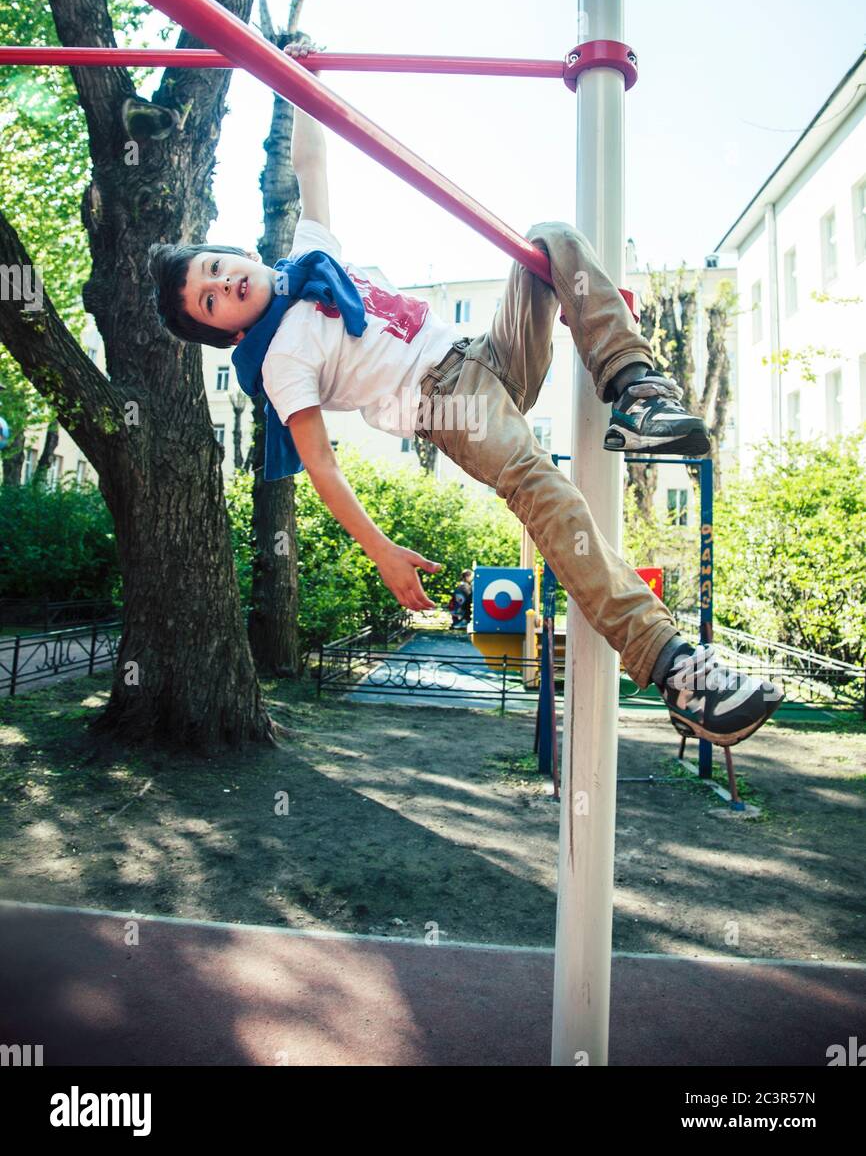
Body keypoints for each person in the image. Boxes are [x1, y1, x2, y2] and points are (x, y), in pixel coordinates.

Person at [147, 40, 784, 748]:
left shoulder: (309, 255)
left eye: (215, 267)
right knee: (545, 489)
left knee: (547, 242)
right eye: (210, 302)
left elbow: (311, 165)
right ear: (227, 334)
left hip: (485, 355)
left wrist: (298, 81)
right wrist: (381, 549)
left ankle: (635, 389)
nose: (222, 284)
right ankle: (672, 665)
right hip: (445, 401)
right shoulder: (278, 360)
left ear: (237, 253)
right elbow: (321, 467)